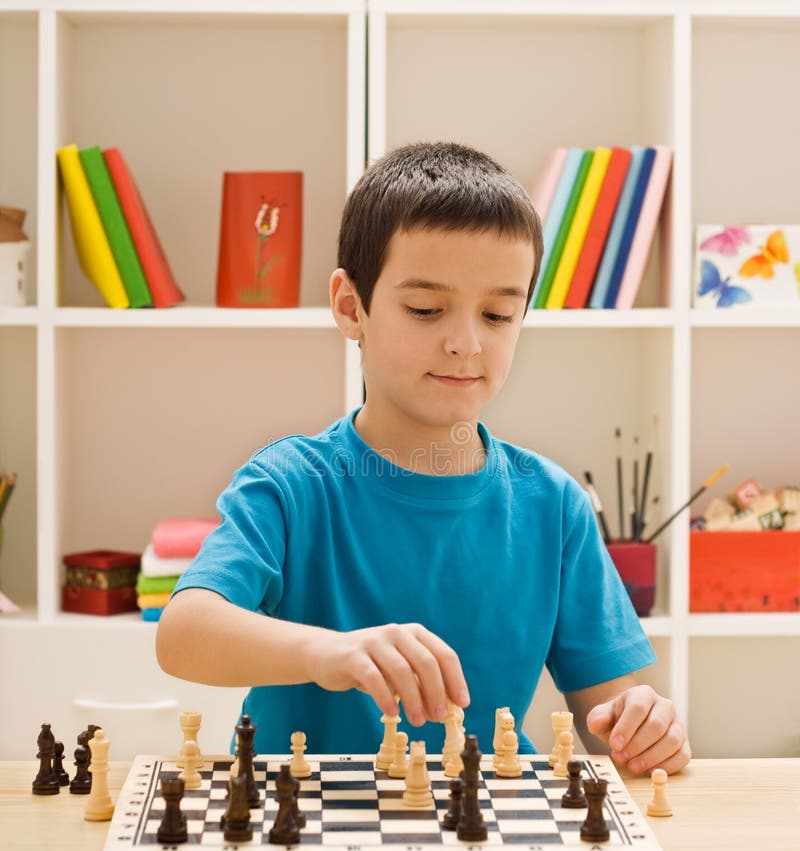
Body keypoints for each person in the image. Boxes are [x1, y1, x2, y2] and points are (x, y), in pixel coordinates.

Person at [156, 141, 690, 775]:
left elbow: (612, 714)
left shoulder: (552, 504)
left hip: (479, 838)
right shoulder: (291, 484)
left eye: (498, 314)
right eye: (426, 310)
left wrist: (643, 728)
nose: (466, 343)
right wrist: (328, 653)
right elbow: (183, 633)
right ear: (351, 306)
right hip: (300, 844)